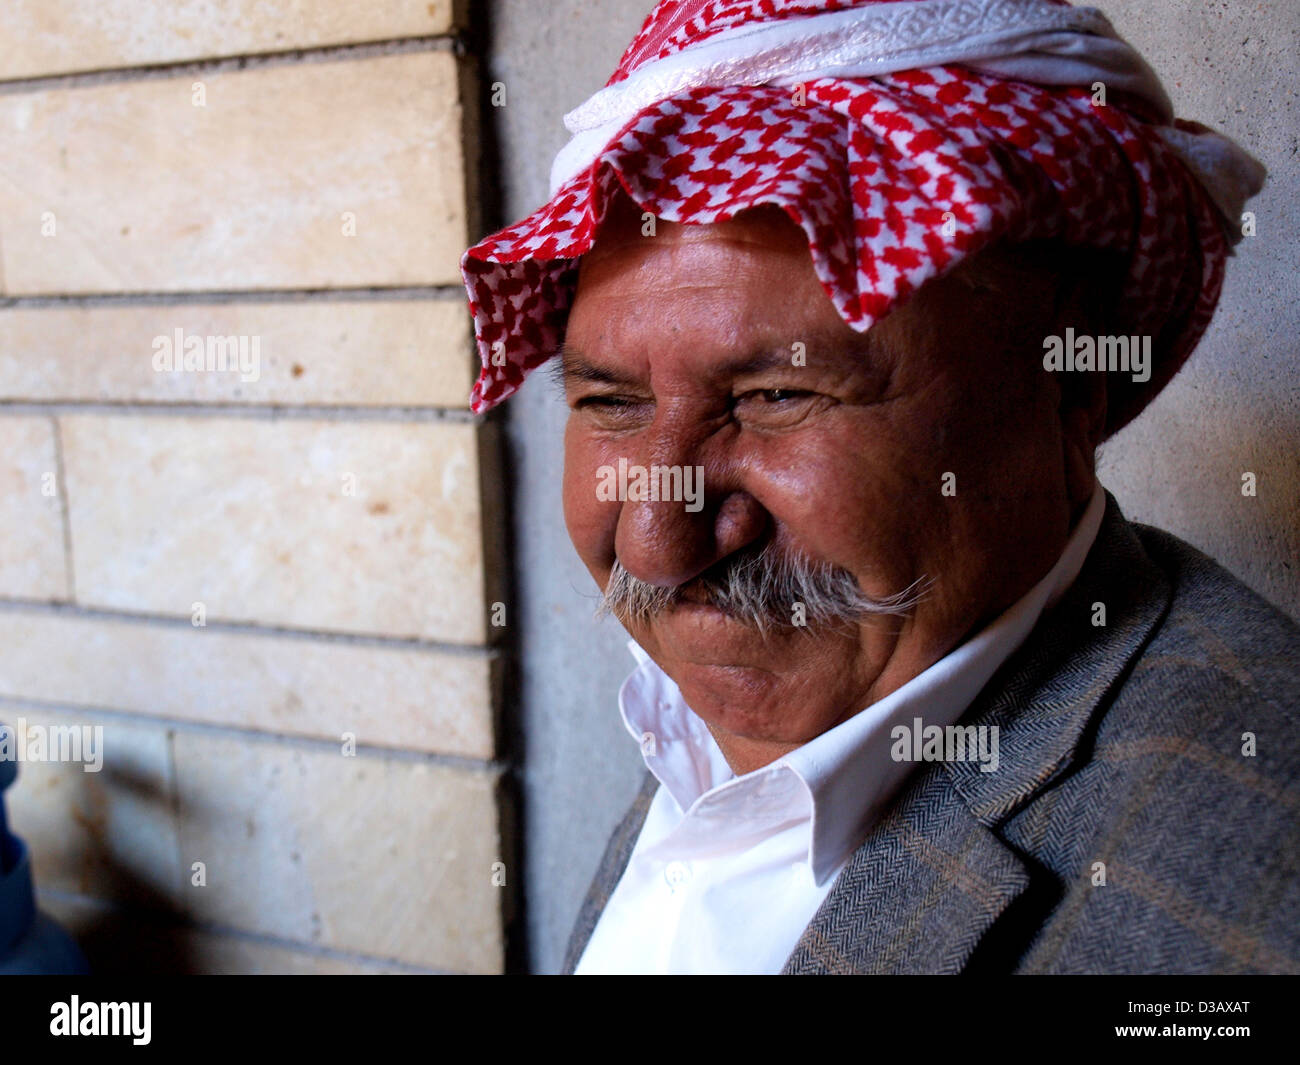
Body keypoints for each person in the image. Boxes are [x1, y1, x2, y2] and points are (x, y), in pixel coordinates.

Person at [460, 0, 1298, 974]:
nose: (655, 544)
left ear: (1069, 390)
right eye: (610, 402)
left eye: (776, 397)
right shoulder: (740, 706)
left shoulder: (1249, 900)